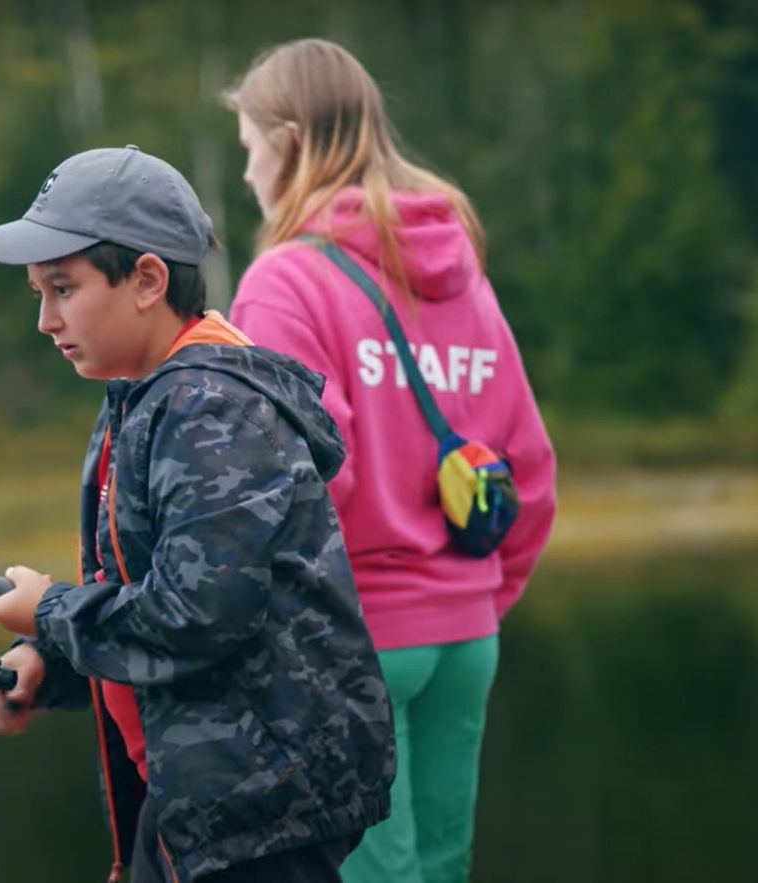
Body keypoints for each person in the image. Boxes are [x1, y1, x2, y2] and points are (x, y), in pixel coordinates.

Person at [0, 145, 395, 883]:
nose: (44, 319)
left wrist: (53, 612)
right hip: (200, 803)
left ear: (147, 279)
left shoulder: (209, 407)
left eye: (62, 288)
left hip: (261, 811)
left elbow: (201, 613)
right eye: (38, 292)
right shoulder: (142, 396)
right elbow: (153, 590)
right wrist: (51, 661)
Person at [222, 38, 558, 883]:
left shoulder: (283, 283)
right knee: (442, 867)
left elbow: (298, 484)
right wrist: (470, 600)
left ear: (290, 140)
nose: (247, 174)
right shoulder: (463, 278)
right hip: (465, 638)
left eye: (249, 148)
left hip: (355, 638)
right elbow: (528, 467)